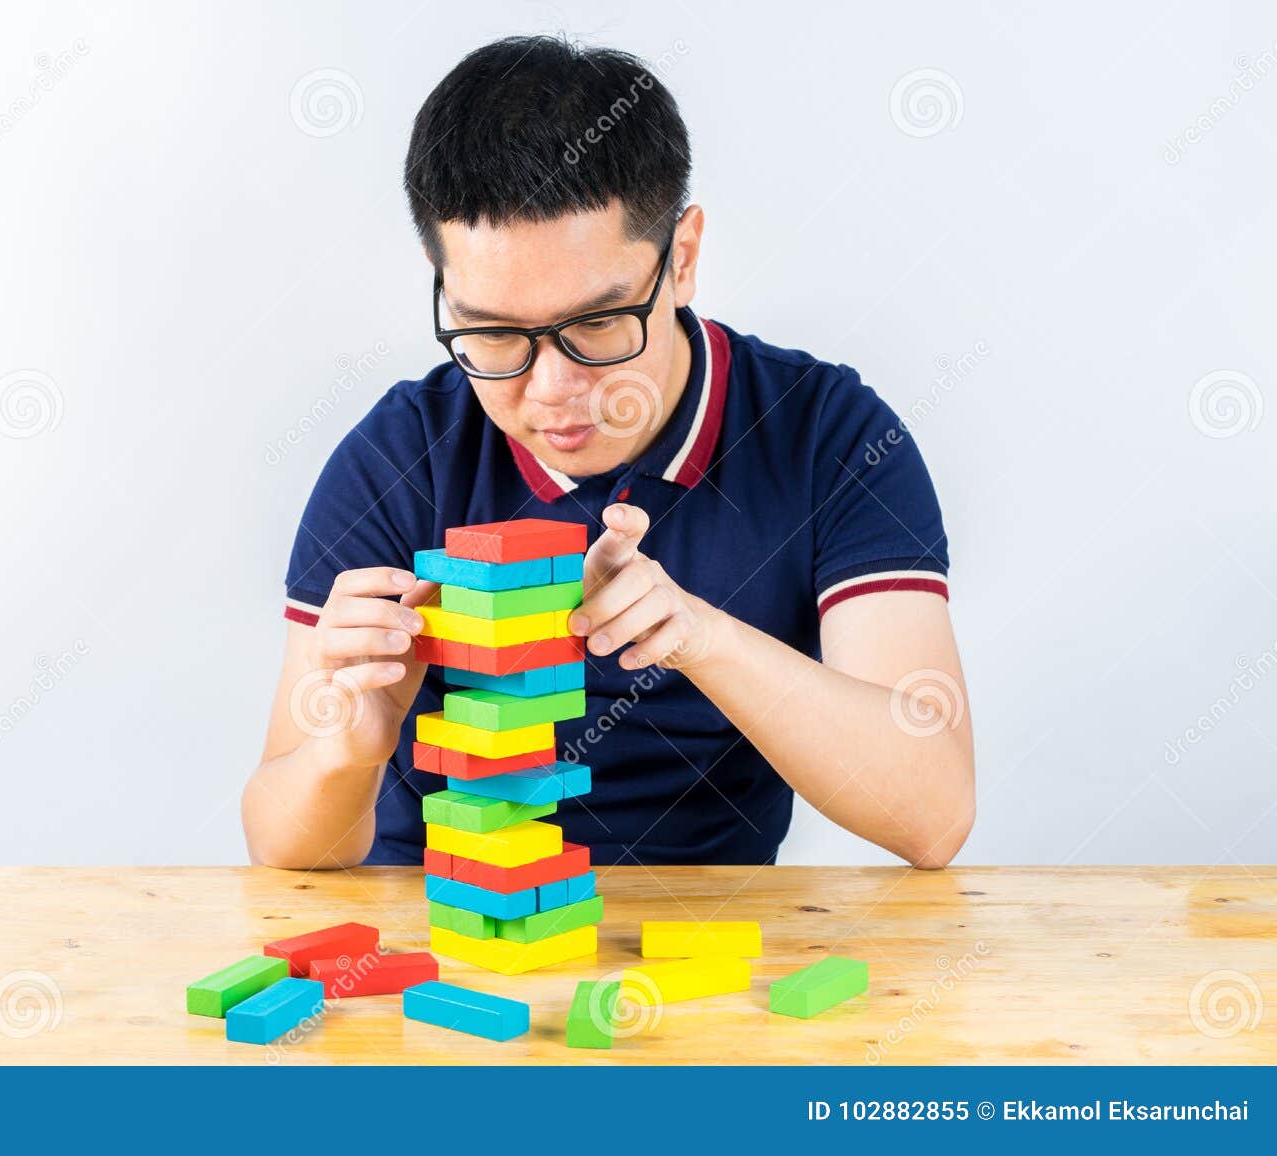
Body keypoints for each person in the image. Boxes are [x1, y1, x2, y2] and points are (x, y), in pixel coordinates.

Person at [242, 35, 974, 871]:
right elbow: (279, 843)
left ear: (683, 259)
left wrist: (701, 636)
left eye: (595, 324)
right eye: (490, 332)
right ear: (442, 281)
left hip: (703, 944)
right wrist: (349, 750)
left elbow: (935, 813)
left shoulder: (830, 436)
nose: (551, 387)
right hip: (442, 934)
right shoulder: (400, 454)